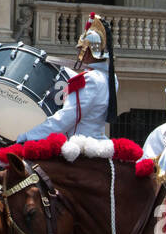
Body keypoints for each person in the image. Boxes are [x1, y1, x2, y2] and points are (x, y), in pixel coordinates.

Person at [15, 13, 117, 144]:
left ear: (87, 51)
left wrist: (29, 135)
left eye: (81, 50)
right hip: (97, 141)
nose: (78, 54)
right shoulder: (110, 78)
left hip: (78, 146)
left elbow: (66, 118)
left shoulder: (89, 80)